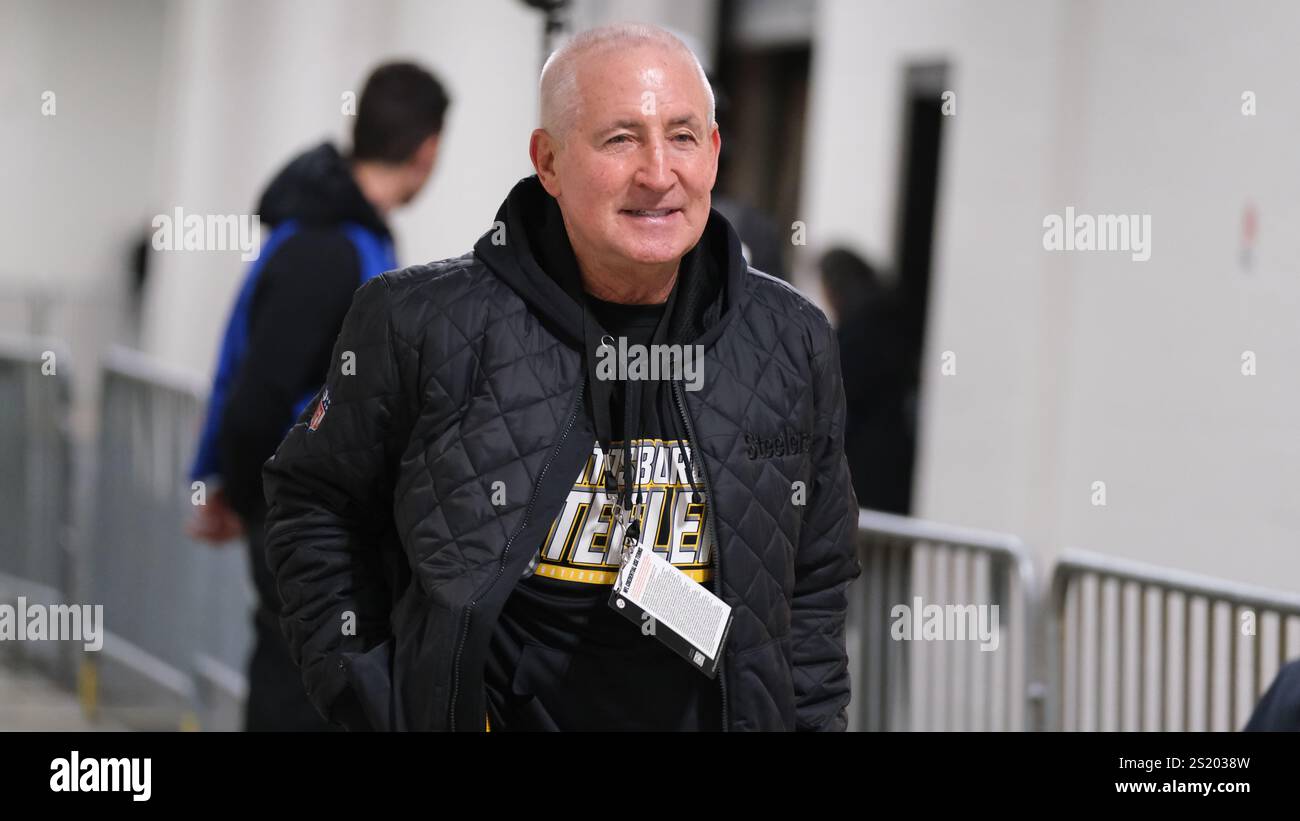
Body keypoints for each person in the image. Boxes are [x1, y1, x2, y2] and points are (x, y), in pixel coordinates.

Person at [262, 23, 860, 732]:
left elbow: (817, 575)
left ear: (715, 152)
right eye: (620, 139)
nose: (658, 173)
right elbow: (314, 500)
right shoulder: (420, 323)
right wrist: (367, 695)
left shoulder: (790, 340)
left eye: (683, 136)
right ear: (548, 161)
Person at [186, 61, 450, 731]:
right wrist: (247, 497)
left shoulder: (343, 233)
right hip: (301, 514)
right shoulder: (331, 249)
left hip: (306, 510)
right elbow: (264, 393)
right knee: (299, 684)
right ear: (428, 148)